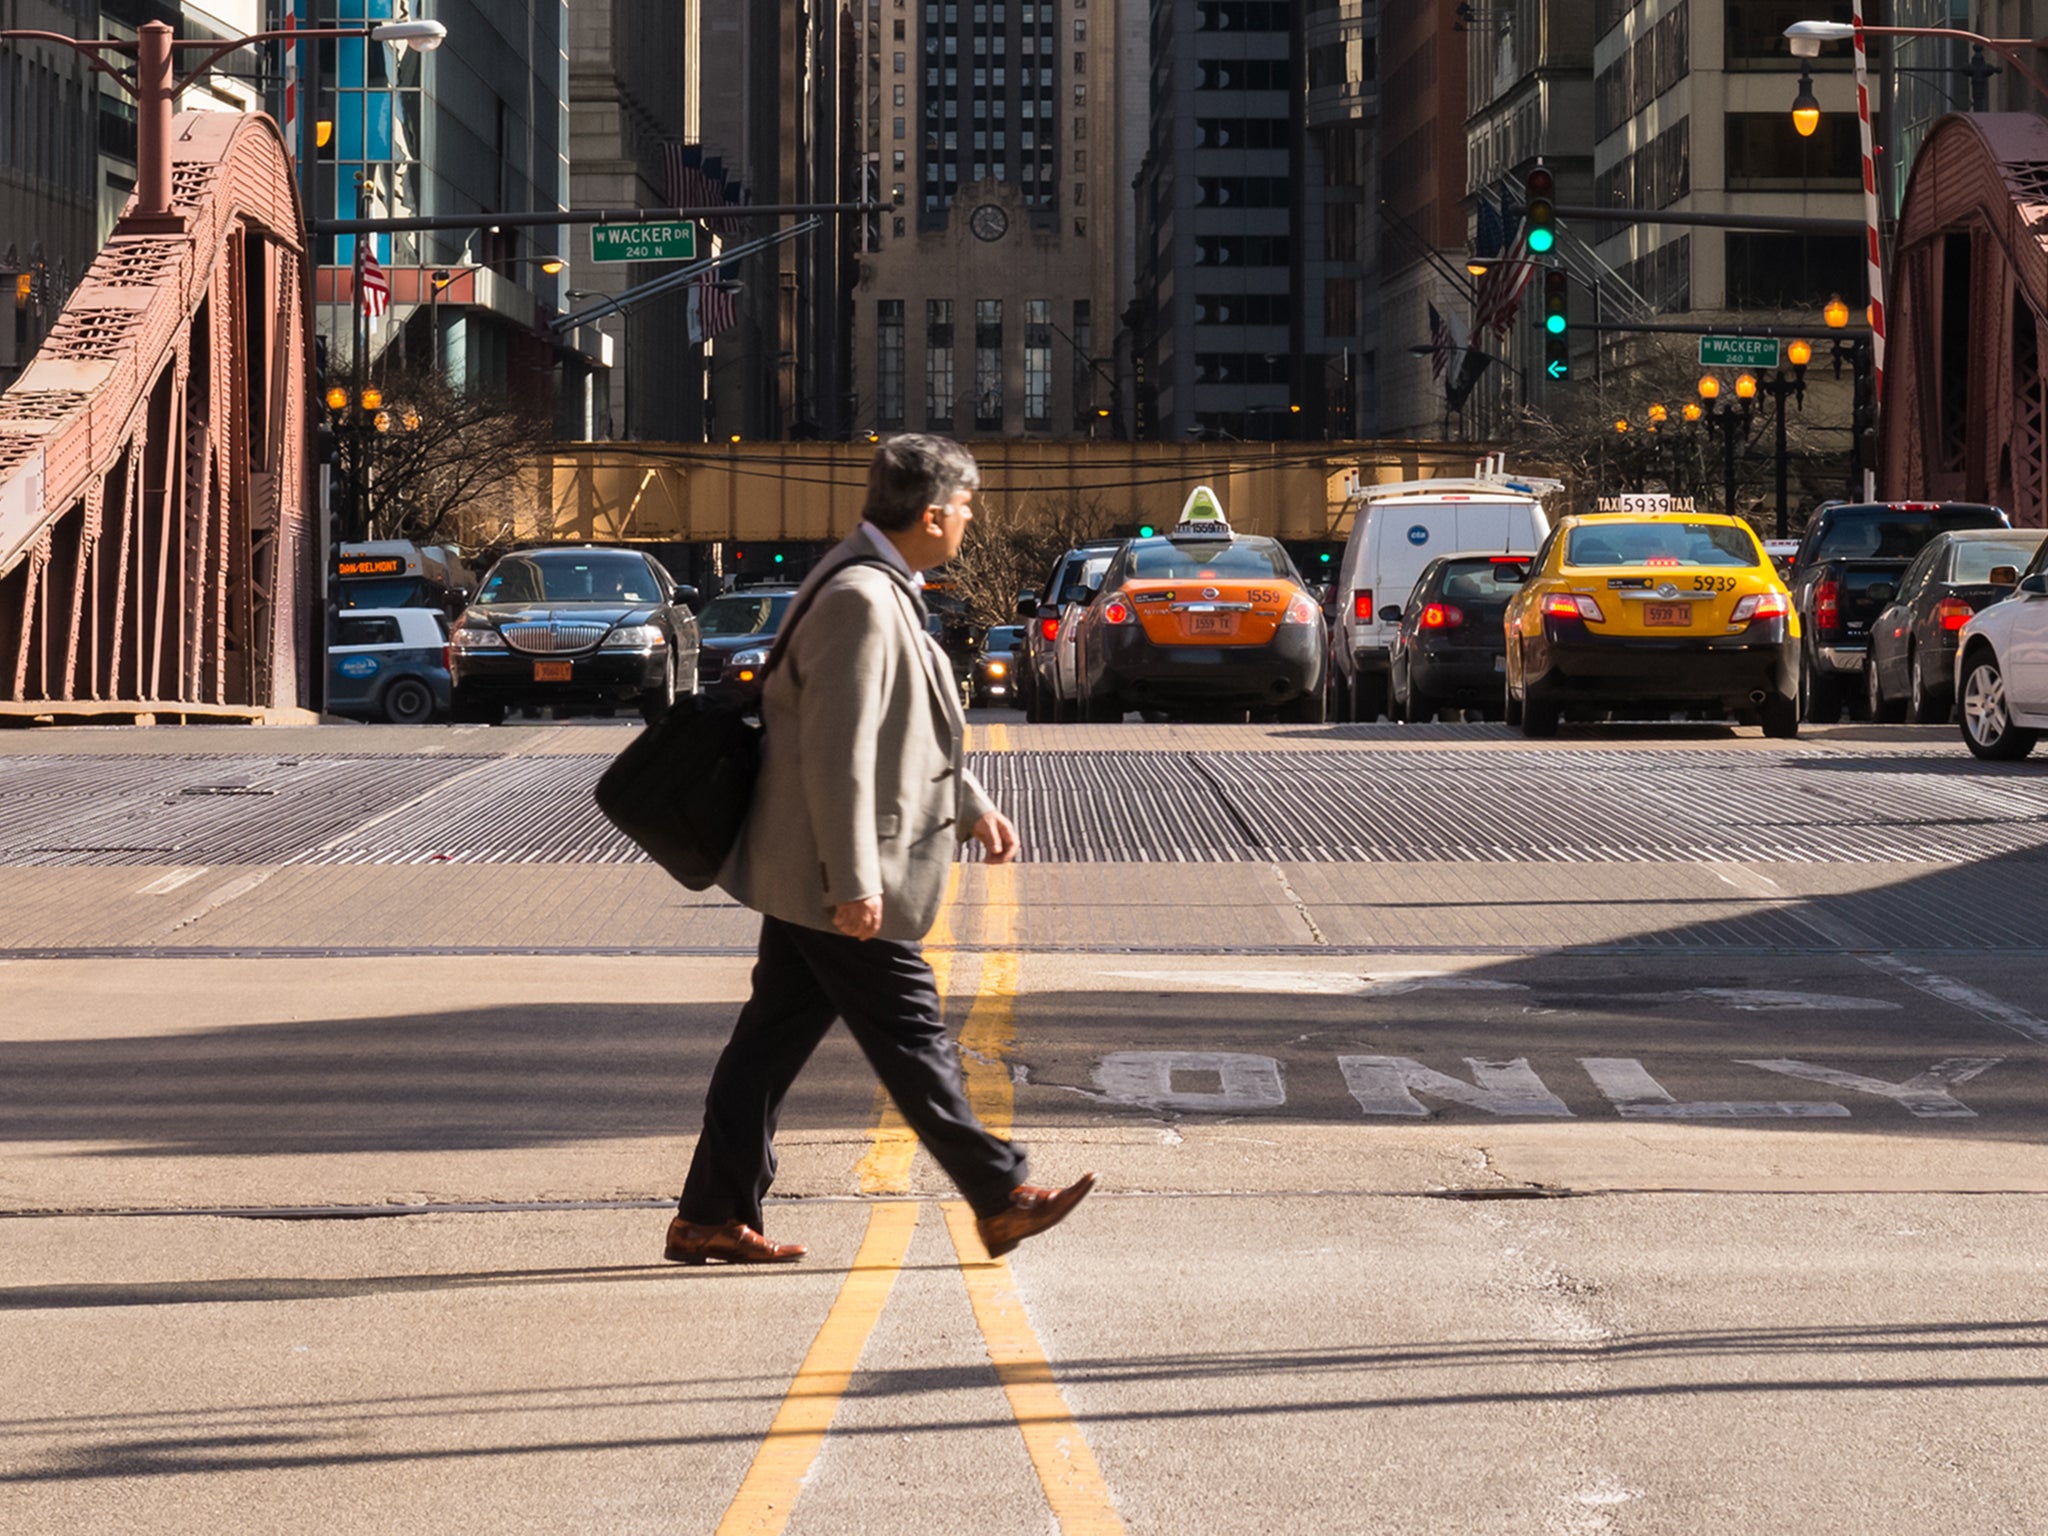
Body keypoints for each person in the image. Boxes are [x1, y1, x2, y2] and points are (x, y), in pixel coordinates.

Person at [666, 434, 1094, 1266]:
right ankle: (1000, 1194)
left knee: (767, 1044)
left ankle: (710, 1215)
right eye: (966, 507)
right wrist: (855, 882)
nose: (971, 520)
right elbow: (836, 749)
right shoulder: (861, 598)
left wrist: (966, 802)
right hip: (838, 870)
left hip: (816, 867)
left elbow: (898, 725)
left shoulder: (874, 585)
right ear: (931, 514)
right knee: (911, 1032)